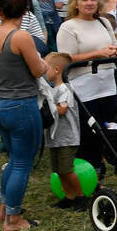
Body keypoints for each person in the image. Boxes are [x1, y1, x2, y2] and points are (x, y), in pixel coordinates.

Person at [0, 0, 48, 231]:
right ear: (24, 12)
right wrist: (43, 64)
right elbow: (37, 69)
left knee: (13, 160)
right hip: (20, 103)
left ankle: (5, 208)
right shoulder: (21, 36)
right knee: (23, 162)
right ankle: (13, 219)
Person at [55, 0, 117, 176]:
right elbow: (66, 58)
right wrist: (98, 54)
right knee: (87, 130)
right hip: (83, 85)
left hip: (107, 82)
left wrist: (116, 50)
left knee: (104, 127)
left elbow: (116, 44)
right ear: (75, 3)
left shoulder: (103, 22)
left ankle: (99, 166)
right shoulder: (68, 27)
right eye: (84, 0)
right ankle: (86, 169)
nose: (90, 3)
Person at [42, 51, 85, 209]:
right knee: (58, 170)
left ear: (57, 69)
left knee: (67, 170)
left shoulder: (65, 90)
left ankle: (80, 196)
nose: (44, 72)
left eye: (46, 68)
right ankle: (69, 196)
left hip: (67, 137)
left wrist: (46, 107)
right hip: (55, 138)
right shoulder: (53, 89)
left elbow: (62, 110)